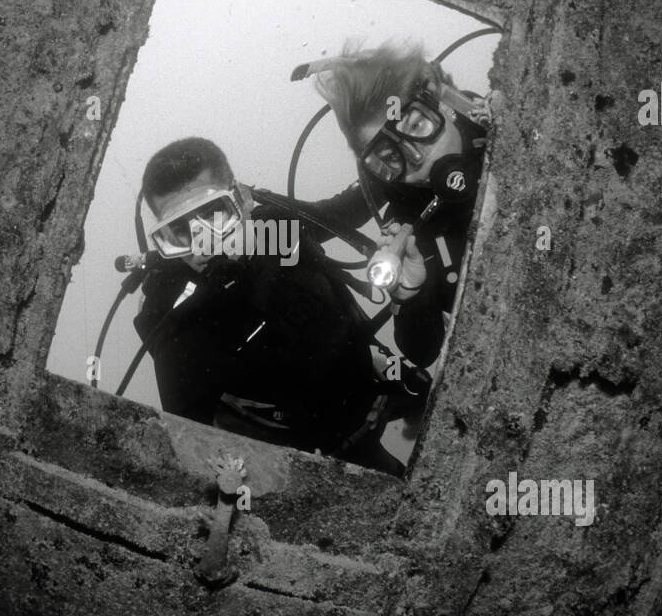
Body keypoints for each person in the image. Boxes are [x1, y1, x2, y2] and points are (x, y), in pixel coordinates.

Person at [133, 136, 421, 470]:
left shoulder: (277, 231)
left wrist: (394, 148)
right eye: (179, 231)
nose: (204, 243)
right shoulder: (166, 306)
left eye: (213, 213)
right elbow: (191, 435)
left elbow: (345, 210)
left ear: (241, 200)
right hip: (297, 463)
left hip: (370, 388)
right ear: (163, 240)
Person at [295, 39, 490, 369]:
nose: (416, 157)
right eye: (389, 156)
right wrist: (410, 294)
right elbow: (421, 352)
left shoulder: (499, 120)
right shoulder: (410, 232)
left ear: (442, 101)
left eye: (416, 125)